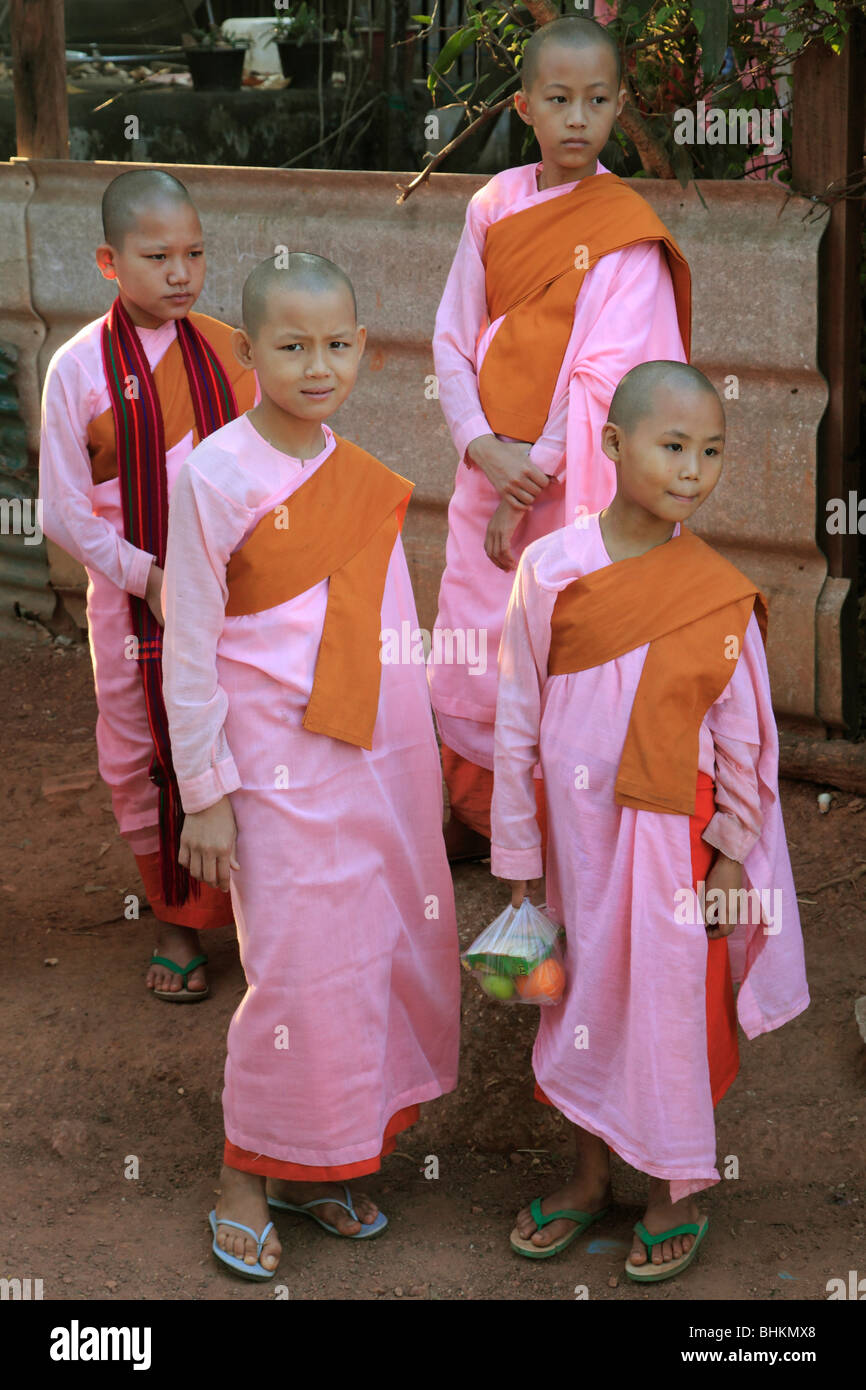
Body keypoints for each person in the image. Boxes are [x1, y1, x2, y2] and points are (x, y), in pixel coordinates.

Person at [162, 252, 461, 1280]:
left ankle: (319, 1160)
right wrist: (204, 795)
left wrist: (419, 771)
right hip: (267, 769)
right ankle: (241, 1177)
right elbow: (189, 648)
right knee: (291, 967)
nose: (317, 364)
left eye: (337, 344)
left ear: (364, 350)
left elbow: (391, 637)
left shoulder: (357, 479)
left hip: (370, 766)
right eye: (292, 346)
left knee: (364, 955)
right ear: (248, 353)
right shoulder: (210, 476)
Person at [491, 360, 809, 1282]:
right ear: (614, 445)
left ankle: (676, 1188)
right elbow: (517, 719)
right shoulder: (549, 570)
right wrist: (518, 856)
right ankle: (588, 1179)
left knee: (674, 1007)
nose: (692, 470)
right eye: (672, 447)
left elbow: (748, 744)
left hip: (676, 843)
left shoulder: (716, 593)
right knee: (578, 994)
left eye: (711, 452)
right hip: (575, 842)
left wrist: (727, 862)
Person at [428, 14, 691, 860]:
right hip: (489, 469)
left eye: (597, 100)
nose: (578, 118)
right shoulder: (493, 204)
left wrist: (530, 472)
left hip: (574, 492)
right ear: (525, 106)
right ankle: (478, 816)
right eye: (559, 99)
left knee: (565, 642)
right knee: (477, 634)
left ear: (620, 108)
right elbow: (452, 339)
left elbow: (607, 383)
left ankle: (559, 834)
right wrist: (481, 447)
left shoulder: (624, 229)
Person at [39, 168, 256, 1001]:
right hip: (131, 600)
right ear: (108, 261)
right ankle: (176, 920)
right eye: (157, 255)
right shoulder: (78, 369)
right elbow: (62, 511)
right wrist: (149, 575)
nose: (181, 274)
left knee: (237, 735)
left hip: (232, 593)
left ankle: (254, 910)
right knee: (140, 752)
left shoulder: (230, 350)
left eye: (195, 254)